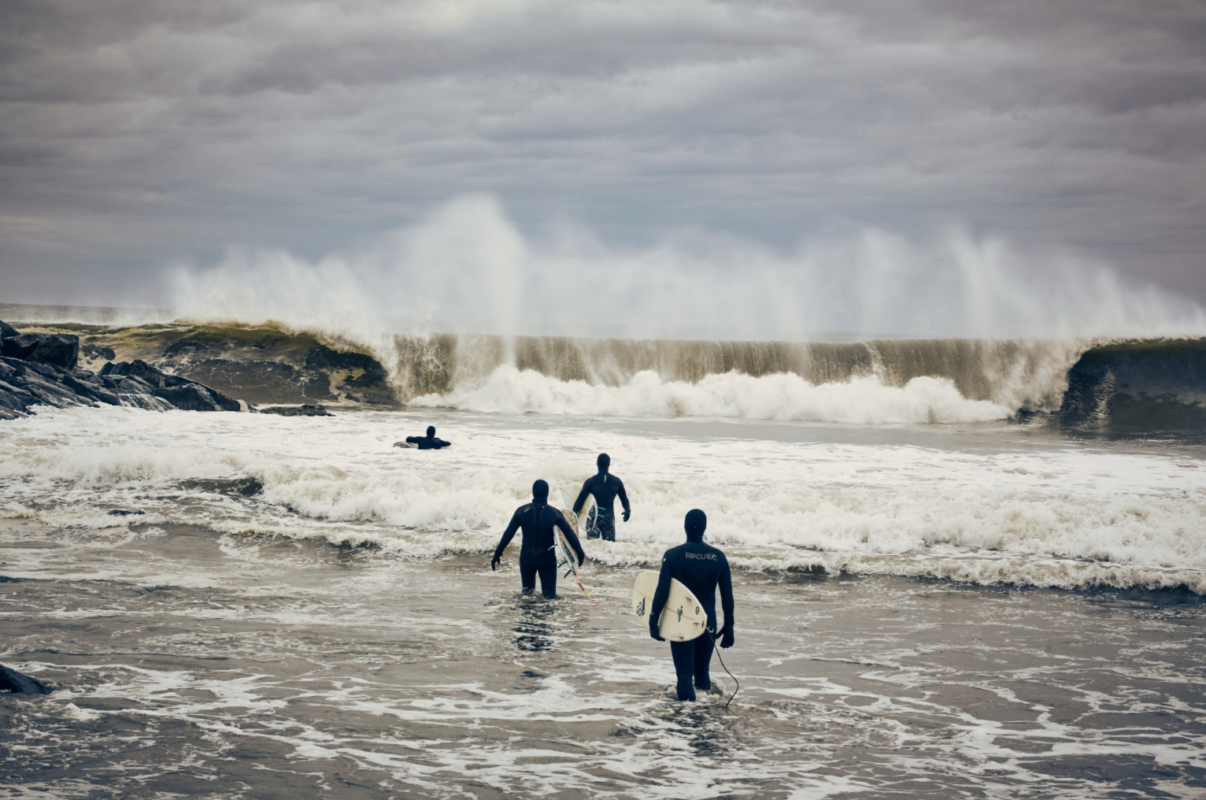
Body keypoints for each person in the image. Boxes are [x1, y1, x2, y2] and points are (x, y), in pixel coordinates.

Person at [648, 509, 735, 702]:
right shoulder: (718, 557)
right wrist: (729, 626)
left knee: (685, 676)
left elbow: (661, 591)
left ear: (685, 527)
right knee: (702, 672)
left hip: (682, 621)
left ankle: (685, 721)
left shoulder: (672, 556)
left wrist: (654, 620)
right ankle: (703, 717)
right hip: (708, 622)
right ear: (704, 529)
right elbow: (727, 595)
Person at [492, 479, 586, 599]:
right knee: (549, 596)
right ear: (547, 494)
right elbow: (570, 535)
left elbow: (509, 533)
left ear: (533, 493)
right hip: (547, 560)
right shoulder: (555, 513)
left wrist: (498, 552)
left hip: (527, 559)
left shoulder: (521, 511)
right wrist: (580, 554)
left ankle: (528, 616)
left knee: (527, 595)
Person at [572, 453, 631, 541]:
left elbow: (580, 501)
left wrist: (573, 516)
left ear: (597, 463)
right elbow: (624, 500)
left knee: (592, 547)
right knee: (609, 548)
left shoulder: (590, 482)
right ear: (609, 464)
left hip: (593, 519)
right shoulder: (617, 482)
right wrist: (627, 511)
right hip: (608, 519)